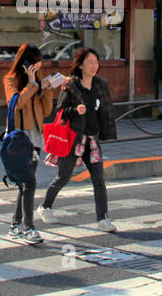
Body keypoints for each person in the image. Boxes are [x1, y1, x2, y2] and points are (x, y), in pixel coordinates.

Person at [39, 47, 117, 231]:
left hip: (92, 139)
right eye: (90, 62)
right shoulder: (72, 86)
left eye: (96, 62)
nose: (94, 66)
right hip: (74, 138)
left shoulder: (100, 85)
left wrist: (106, 129)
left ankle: (102, 218)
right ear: (80, 65)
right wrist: (75, 110)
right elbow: (60, 111)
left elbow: (105, 110)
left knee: (99, 179)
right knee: (64, 177)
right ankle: (45, 207)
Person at [2, 44, 62, 244]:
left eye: (39, 64)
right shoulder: (10, 80)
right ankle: (28, 227)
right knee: (29, 183)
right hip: (20, 138)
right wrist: (31, 83)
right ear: (25, 63)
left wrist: (48, 91)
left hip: (36, 138)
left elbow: (45, 112)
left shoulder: (37, 81)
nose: (38, 67)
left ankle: (15, 225)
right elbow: (16, 102)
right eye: (35, 63)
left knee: (25, 185)